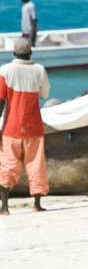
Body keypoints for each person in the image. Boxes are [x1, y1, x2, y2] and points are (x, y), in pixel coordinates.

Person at [0, 38, 50, 215]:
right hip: (34, 127)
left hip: (11, 128)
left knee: (8, 166)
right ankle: (36, 205)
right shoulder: (39, 69)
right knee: (36, 165)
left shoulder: (5, 70)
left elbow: (0, 101)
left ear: (14, 53)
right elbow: (44, 93)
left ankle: (4, 208)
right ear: (30, 52)